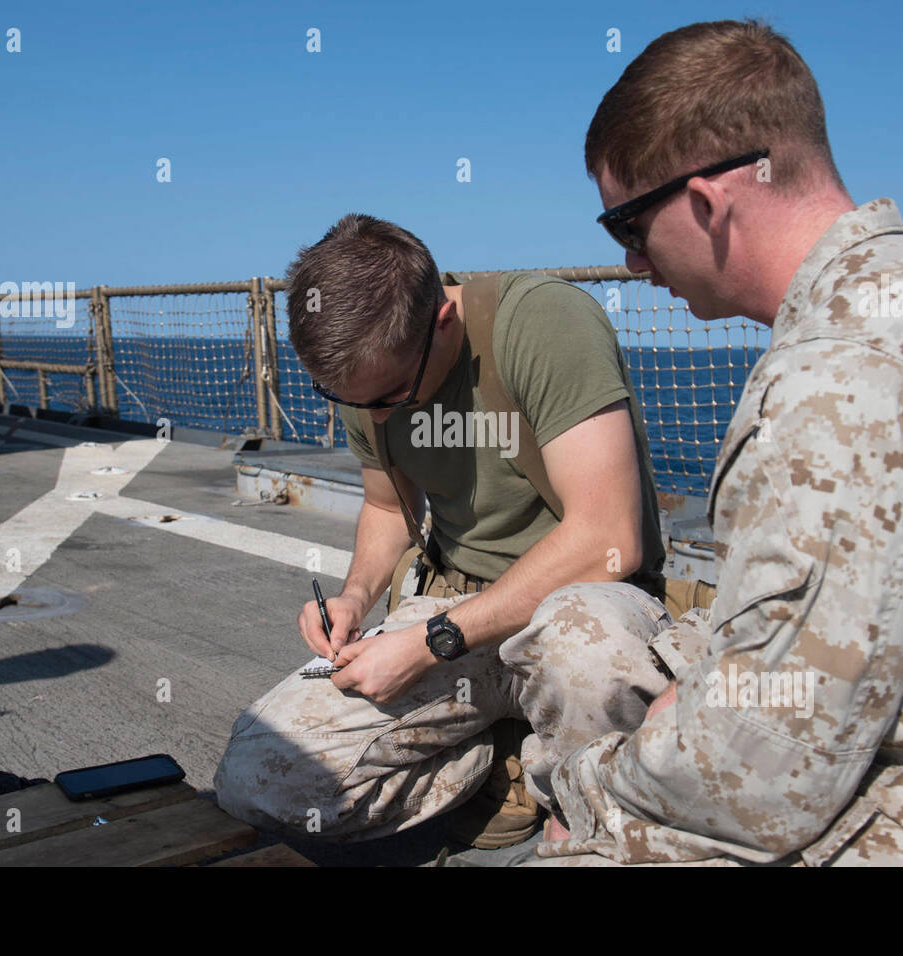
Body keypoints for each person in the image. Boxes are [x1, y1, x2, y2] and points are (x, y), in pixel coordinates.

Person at [529, 18, 903, 866]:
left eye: (627, 227)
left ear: (704, 203)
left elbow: (761, 774)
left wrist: (587, 789)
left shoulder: (841, 376)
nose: (633, 268)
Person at [213, 213, 705, 849]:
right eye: (353, 402)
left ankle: (581, 810)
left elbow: (607, 537)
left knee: (586, 654)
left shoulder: (542, 323)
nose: (378, 414)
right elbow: (388, 510)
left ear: (441, 319)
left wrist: (428, 643)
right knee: (259, 780)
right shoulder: (372, 383)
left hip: (583, 604)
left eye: (392, 394)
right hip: (450, 611)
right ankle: (505, 764)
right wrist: (355, 598)